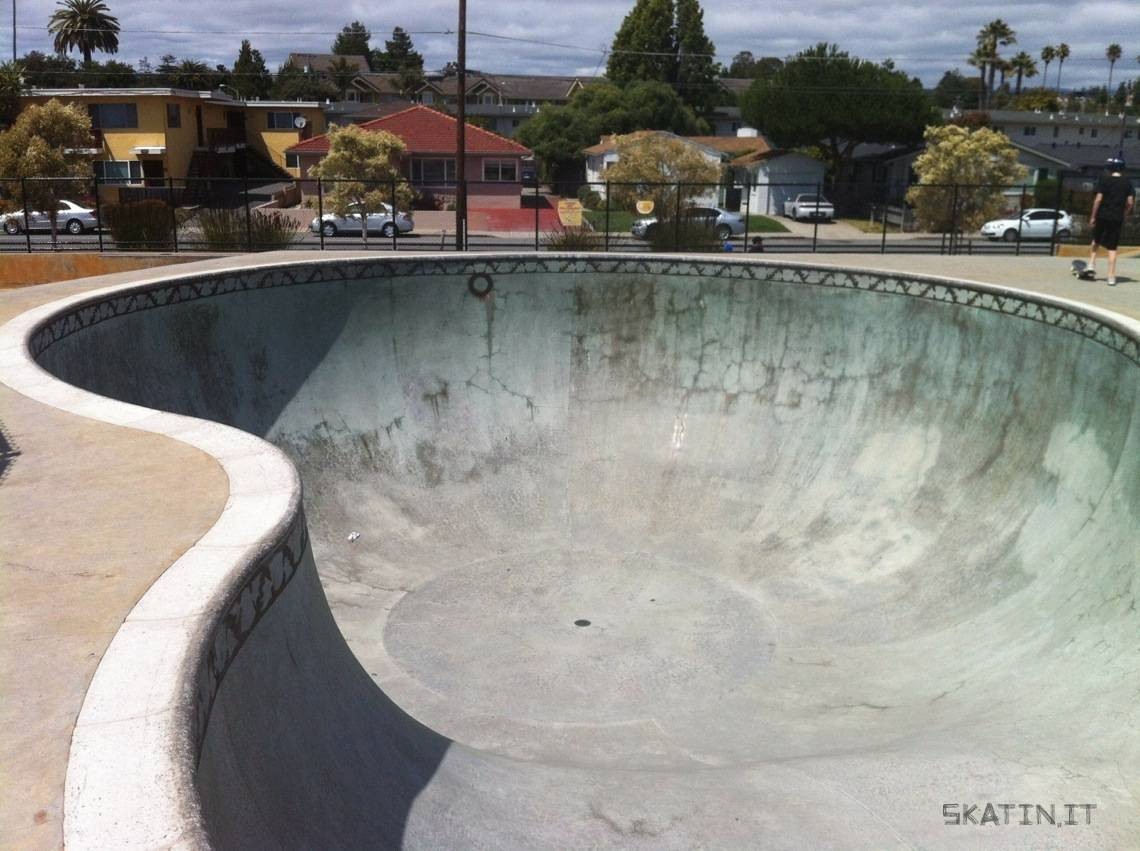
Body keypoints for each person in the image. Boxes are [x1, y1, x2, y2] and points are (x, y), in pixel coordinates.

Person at [1087, 157, 1135, 286]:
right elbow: (1130, 203)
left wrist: (1093, 216)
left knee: (1096, 239)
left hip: (1102, 215)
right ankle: (1111, 277)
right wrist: (1124, 214)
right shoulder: (1127, 183)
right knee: (1112, 247)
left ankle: (1091, 264)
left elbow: (1097, 200)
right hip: (1117, 217)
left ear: (1109, 168)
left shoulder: (1104, 180)